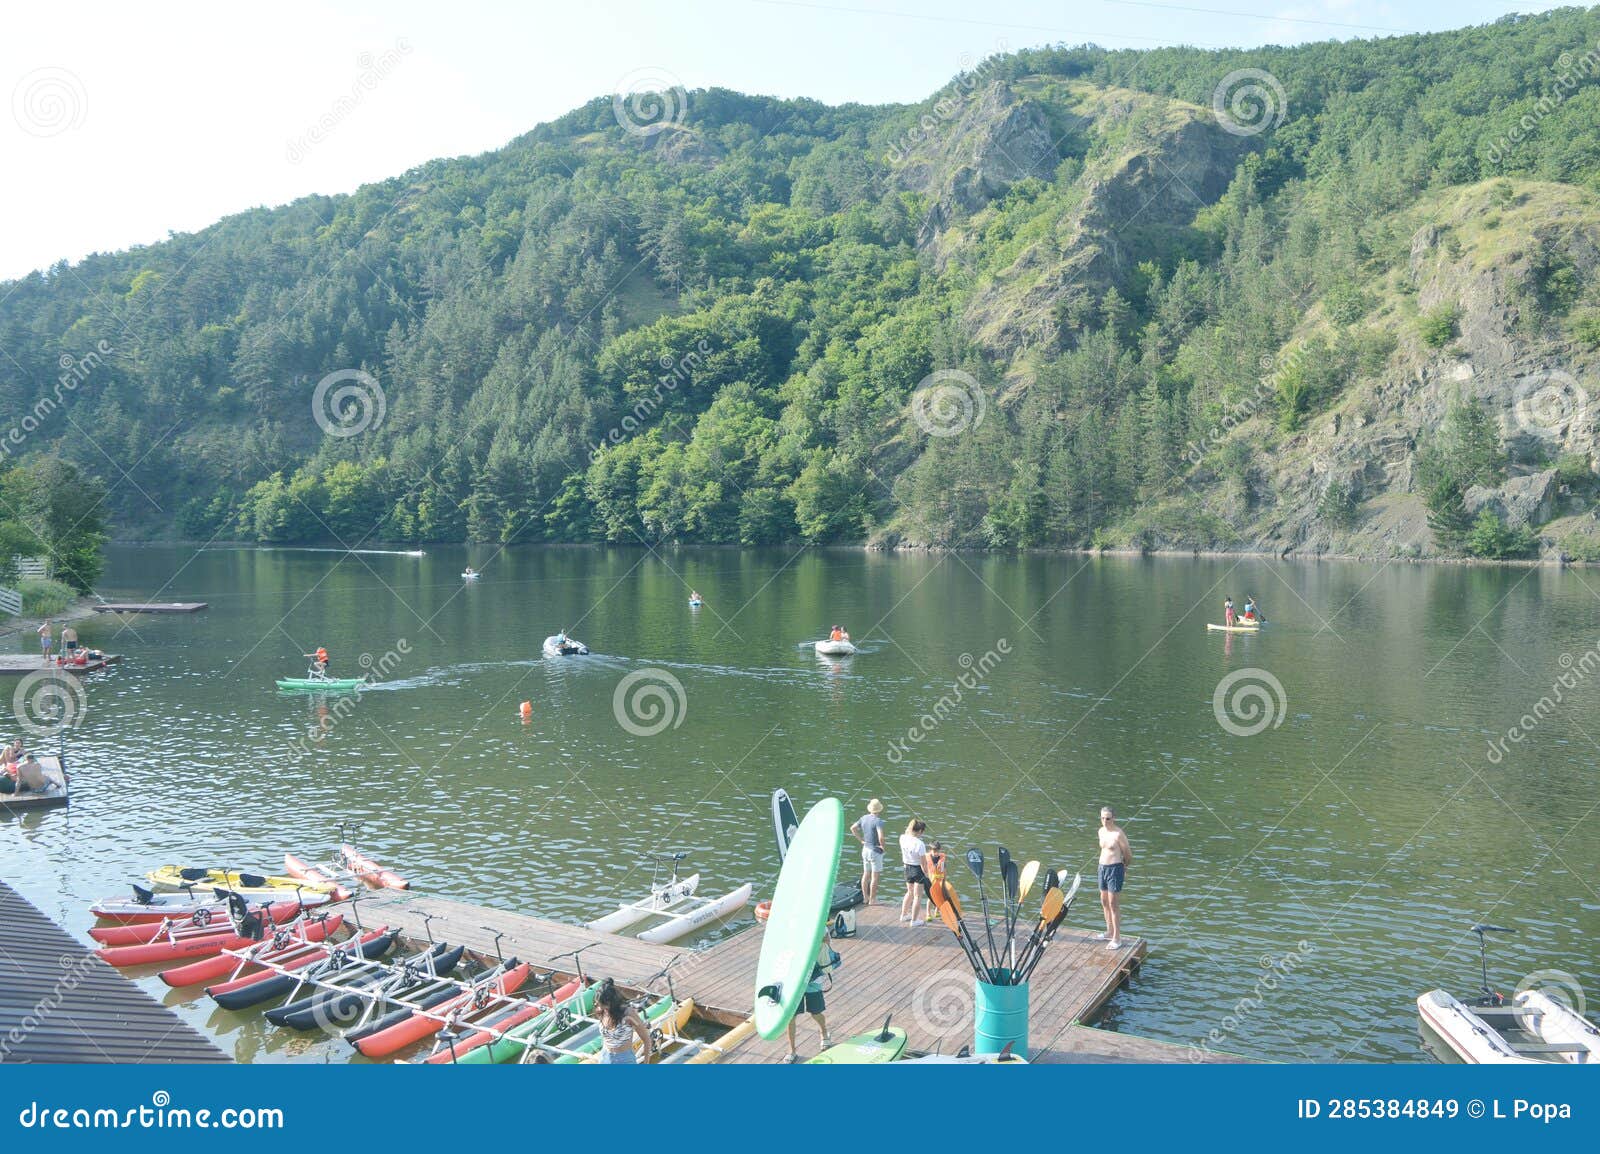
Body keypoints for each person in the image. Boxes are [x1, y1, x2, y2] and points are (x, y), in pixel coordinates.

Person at [785, 930, 836, 1062]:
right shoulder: (794, 924)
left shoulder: (819, 924)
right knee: (791, 1016)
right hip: (795, 980)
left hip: (813, 978)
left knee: (816, 1012)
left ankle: (824, 1032)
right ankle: (792, 1050)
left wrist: (824, 940)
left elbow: (827, 944)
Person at [1096, 806, 1132, 950]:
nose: (1105, 821)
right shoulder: (1100, 831)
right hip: (1102, 868)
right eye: (1102, 818)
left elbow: (1128, 855)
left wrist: (1124, 867)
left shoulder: (1118, 834)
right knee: (1104, 901)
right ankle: (1109, 931)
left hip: (1115, 868)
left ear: (1114, 818)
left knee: (1113, 903)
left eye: (1108, 818)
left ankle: (1117, 938)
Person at [593, 977, 652, 1064]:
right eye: (598, 1004)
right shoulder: (601, 1011)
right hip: (605, 1057)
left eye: (603, 1005)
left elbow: (646, 1039)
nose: (600, 1008)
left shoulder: (628, 1014)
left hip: (624, 1059)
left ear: (611, 1003)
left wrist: (646, 1063)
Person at [850, 799, 886, 905]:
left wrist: (861, 840)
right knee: (875, 877)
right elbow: (881, 837)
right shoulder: (878, 821)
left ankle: (865, 898)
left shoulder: (863, 818)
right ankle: (872, 899)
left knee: (866, 874)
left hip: (865, 849)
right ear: (879, 810)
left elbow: (853, 828)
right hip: (875, 851)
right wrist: (883, 846)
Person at [899, 818, 929, 926]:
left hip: (906, 868)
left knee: (909, 893)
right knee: (917, 896)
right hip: (917, 870)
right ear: (920, 831)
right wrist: (927, 874)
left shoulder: (902, 838)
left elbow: (907, 832)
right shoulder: (920, 844)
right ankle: (914, 920)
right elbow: (923, 864)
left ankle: (903, 915)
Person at [922, 842, 947, 925]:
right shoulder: (927, 857)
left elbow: (944, 870)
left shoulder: (942, 858)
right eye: (934, 851)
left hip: (939, 879)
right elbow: (923, 867)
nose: (935, 853)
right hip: (930, 880)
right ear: (930, 850)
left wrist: (944, 880)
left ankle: (937, 911)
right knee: (931, 897)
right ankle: (928, 913)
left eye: (937, 851)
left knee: (940, 896)